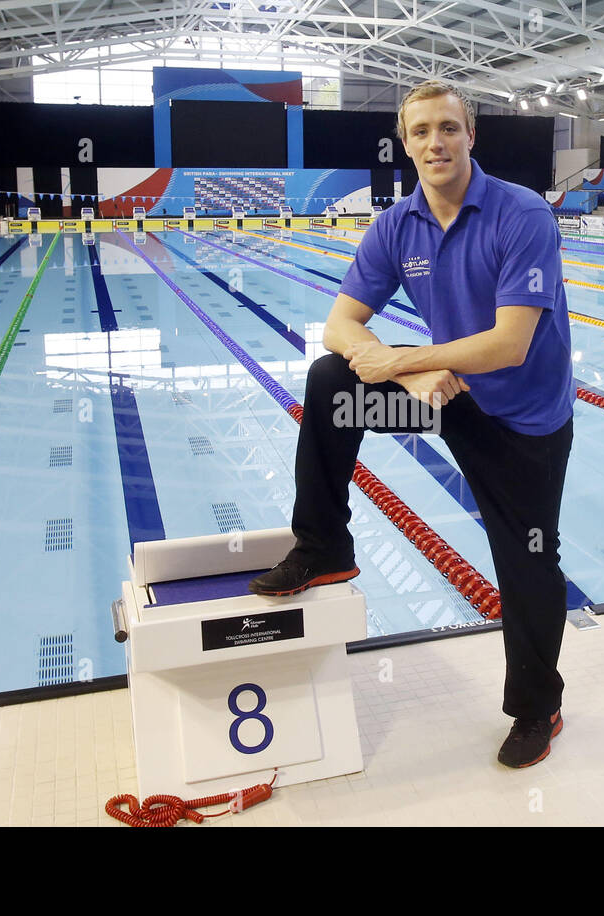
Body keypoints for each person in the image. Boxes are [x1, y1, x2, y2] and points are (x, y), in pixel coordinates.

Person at [248, 80, 576, 768]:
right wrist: (405, 372)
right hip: (448, 400)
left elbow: (509, 344)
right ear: (407, 143)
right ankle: (323, 544)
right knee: (331, 382)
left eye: (449, 128)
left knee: (529, 562)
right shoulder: (398, 225)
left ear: (470, 136)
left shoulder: (521, 216)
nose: (436, 142)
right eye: (422, 131)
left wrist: (406, 359)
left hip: (523, 423)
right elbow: (339, 324)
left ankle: (537, 707)